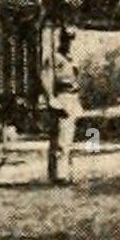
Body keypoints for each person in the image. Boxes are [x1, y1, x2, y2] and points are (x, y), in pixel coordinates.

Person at [45, 26, 81, 185]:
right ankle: (59, 175)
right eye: (66, 39)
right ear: (61, 40)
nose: (69, 42)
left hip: (72, 97)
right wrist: (51, 98)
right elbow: (45, 77)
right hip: (62, 96)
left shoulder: (70, 58)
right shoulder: (54, 58)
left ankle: (63, 172)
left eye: (71, 39)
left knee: (67, 137)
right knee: (61, 138)